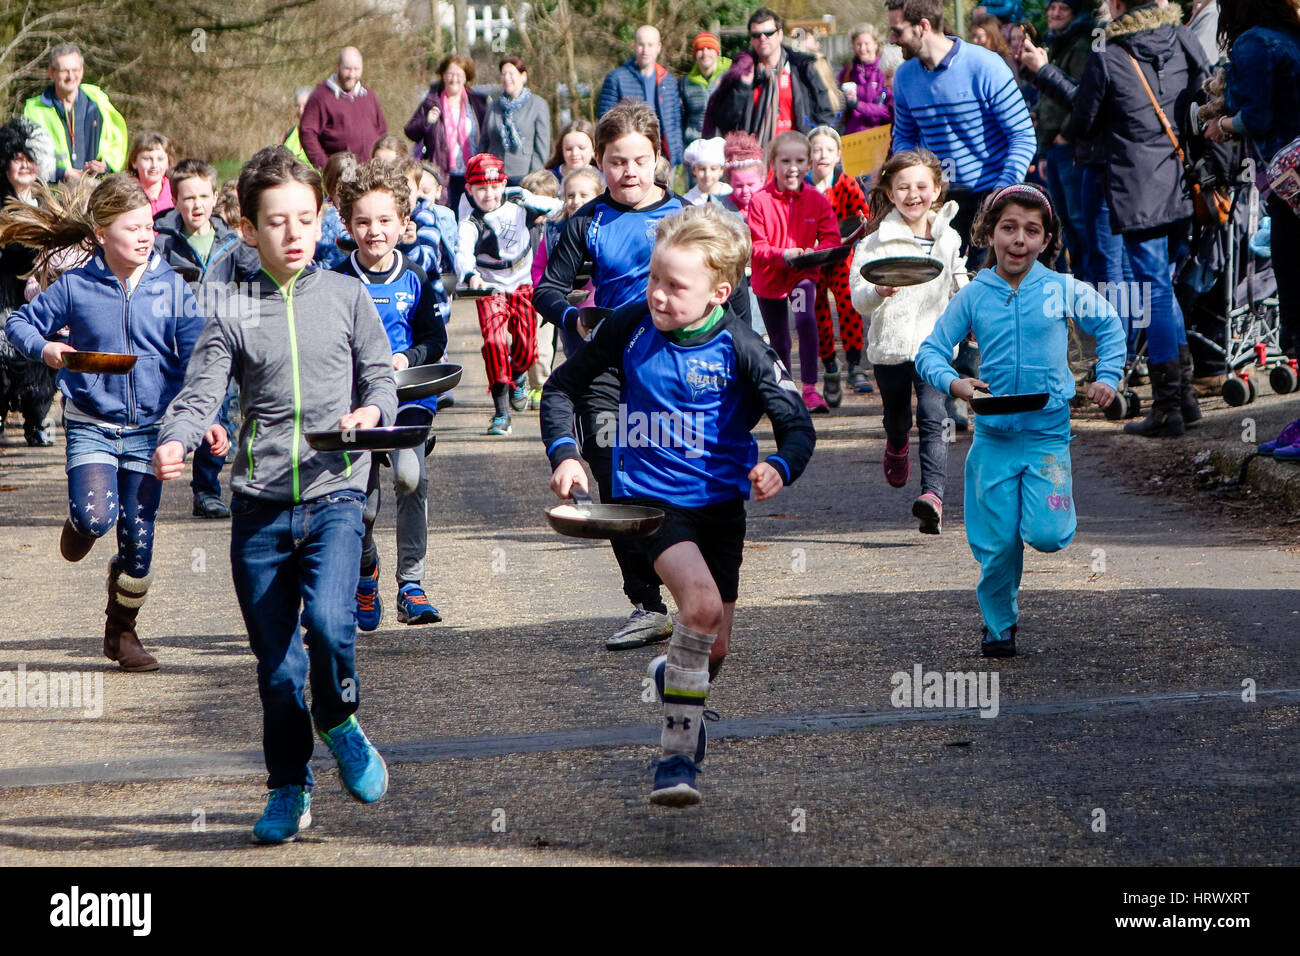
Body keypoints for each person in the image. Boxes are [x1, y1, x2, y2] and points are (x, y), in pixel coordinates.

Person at [153, 145, 397, 844]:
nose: (294, 234)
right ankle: (289, 786)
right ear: (250, 232)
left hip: (335, 493)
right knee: (278, 668)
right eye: (277, 222)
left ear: (323, 222)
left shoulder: (347, 296)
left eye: (306, 219)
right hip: (259, 506)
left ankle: (341, 717)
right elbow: (202, 392)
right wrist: (179, 437)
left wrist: (370, 413)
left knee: (328, 625)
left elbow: (380, 379)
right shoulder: (234, 310)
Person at [541, 202, 815, 806]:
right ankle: (674, 757)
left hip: (721, 508)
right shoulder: (631, 322)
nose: (657, 295)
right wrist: (565, 453)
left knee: (711, 645)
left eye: (674, 286)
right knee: (698, 603)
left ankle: (675, 675)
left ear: (719, 292)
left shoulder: (743, 346)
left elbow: (797, 425)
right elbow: (563, 386)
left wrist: (778, 464)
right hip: (652, 501)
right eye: (653, 280)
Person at [3, 174, 207, 672]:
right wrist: (47, 349)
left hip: (149, 429)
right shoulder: (75, 286)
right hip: (92, 421)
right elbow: (15, 322)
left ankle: (122, 631)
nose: (145, 237)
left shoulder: (171, 288)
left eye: (149, 228)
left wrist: (206, 419)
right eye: (132, 228)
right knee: (98, 517)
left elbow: (203, 357)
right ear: (100, 233)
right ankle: (81, 520)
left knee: (138, 539)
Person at [915, 184, 1125, 657]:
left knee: (1046, 535)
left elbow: (1110, 324)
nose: (1018, 240)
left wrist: (1107, 376)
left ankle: (1039, 526)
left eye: (1032, 231)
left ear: (1046, 240)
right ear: (990, 233)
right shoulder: (974, 296)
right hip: (992, 437)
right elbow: (930, 351)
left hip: (1047, 435)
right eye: (1008, 228)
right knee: (997, 547)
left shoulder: (1061, 289)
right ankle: (998, 625)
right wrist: (956, 384)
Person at [534, 100, 686, 651]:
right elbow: (546, 289)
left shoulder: (686, 218)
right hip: (605, 366)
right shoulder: (585, 222)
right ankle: (646, 604)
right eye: (617, 161)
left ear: (658, 158)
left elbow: (727, 289)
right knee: (613, 477)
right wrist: (574, 316)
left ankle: (694, 585)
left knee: (671, 479)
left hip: (671, 367)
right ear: (600, 162)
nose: (629, 172)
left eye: (640, 161)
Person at [1067, 0, 1214, 438]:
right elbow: (1206, 98)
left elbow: (1082, 122)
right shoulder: (1185, 37)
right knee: (1163, 285)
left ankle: (1168, 407)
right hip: (1183, 181)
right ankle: (1182, 397)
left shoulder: (1107, 54)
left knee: (1153, 288)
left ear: (1115, 5)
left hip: (1136, 187)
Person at [333, 160, 449, 629]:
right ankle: (365, 575)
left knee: (409, 478)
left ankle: (411, 585)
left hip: (409, 399)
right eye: (362, 221)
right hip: (355, 403)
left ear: (405, 223)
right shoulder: (336, 279)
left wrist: (409, 357)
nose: (374, 231)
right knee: (362, 505)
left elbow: (435, 339)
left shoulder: (416, 276)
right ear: (347, 225)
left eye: (384, 221)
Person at [850, 149, 968, 533]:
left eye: (921, 186)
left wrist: (972, 311)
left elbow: (958, 279)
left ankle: (932, 497)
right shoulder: (875, 241)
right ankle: (896, 443)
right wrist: (878, 291)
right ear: (889, 191)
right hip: (891, 347)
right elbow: (858, 295)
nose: (912, 194)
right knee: (898, 417)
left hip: (935, 348)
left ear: (936, 189)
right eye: (902, 187)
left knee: (935, 419)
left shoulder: (948, 237)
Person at [1208, 0, 1300, 434]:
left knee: (1294, 292)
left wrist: (1222, 126)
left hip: (1287, 189)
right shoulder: (1290, 38)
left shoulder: (1253, 43)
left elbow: (1258, 118)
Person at [153, 158, 261, 519]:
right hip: (172, 343)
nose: (195, 205)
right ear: (175, 198)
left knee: (221, 413)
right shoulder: (160, 240)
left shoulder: (232, 242)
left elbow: (252, 284)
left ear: (215, 197)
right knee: (177, 409)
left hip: (220, 343)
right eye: (187, 197)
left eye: (202, 196)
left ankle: (207, 489)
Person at [887, 0, 1037, 258]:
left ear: (923, 26)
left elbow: (1023, 136)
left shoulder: (986, 66)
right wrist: (909, 181)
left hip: (988, 196)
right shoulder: (904, 76)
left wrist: (1002, 193)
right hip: (937, 200)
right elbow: (904, 137)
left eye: (898, 31)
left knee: (987, 286)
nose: (892, 39)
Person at [456, 153, 560, 435]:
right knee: (494, 342)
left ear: (503, 184)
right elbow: (462, 252)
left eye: (494, 187)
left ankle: (517, 375)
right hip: (490, 285)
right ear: (469, 190)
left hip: (523, 281)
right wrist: (470, 275)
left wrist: (529, 198)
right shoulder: (471, 222)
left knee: (527, 349)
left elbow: (557, 207)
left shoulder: (519, 202)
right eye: (480, 189)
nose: (488, 195)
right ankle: (501, 413)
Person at [747, 130, 839, 414]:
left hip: (803, 274)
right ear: (772, 163)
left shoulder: (816, 199)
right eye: (785, 160)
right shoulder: (759, 201)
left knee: (804, 318)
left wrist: (816, 252)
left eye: (800, 160)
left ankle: (810, 388)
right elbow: (756, 247)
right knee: (780, 340)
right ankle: (786, 390)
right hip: (770, 279)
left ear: (809, 165)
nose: (793, 167)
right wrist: (782, 255)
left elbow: (832, 238)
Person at [1018, 1, 1097, 276]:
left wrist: (1065, 134)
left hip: (1069, 147)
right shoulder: (1055, 42)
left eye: (1063, 7)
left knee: (1079, 223)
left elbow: (1082, 97)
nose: (1054, 13)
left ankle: (1088, 285)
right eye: (1052, 8)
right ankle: (1078, 283)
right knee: (1063, 223)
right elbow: (1047, 95)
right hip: (1052, 147)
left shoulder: (1083, 44)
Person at [0, 118, 59, 447]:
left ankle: (37, 420)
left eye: (29, 158)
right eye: (17, 158)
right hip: (4, 290)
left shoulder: (50, 200)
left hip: (41, 294)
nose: (24, 165)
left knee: (41, 362)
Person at [705, 8, 837, 144]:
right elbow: (723, 121)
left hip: (796, 155)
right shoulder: (741, 72)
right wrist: (742, 87)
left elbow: (825, 112)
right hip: (756, 156)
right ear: (751, 39)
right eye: (756, 35)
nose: (762, 38)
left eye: (768, 33)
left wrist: (813, 143)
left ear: (780, 35)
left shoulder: (801, 68)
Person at [807, 125, 872, 404]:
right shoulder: (803, 186)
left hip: (843, 253)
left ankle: (855, 364)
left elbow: (864, 218)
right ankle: (830, 367)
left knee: (849, 304)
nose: (823, 155)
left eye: (829, 150)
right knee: (817, 309)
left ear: (838, 155)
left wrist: (852, 234)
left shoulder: (847, 184)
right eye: (817, 149)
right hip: (812, 256)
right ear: (808, 155)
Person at [22, 43, 128, 184]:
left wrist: (106, 165)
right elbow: (29, 159)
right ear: (51, 73)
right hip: (52, 195)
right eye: (64, 71)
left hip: (94, 190)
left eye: (75, 70)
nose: (71, 76)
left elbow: (117, 142)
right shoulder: (34, 110)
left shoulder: (97, 101)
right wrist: (62, 174)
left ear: (82, 71)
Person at [405, 54, 489, 212]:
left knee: (470, 217)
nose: (454, 79)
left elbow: (487, 135)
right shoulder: (431, 102)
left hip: (472, 174)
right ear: (443, 75)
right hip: (443, 174)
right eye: (450, 74)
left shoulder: (478, 103)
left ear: (466, 77)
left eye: (459, 75)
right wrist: (427, 122)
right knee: (445, 216)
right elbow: (410, 132)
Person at [597, 26, 685, 166]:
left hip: (664, 158)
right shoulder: (617, 78)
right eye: (641, 44)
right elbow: (605, 122)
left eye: (650, 45)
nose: (645, 50)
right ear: (634, 45)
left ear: (658, 47)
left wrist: (676, 153)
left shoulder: (668, 81)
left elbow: (675, 121)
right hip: (630, 157)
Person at [299, 47, 389, 171]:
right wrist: (327, 167)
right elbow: (307, 132)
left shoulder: (368, 95)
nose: (352, 75)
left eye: (356, 69)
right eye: (347, 69)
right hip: (341, 176)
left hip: (370, 173)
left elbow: (382, 131)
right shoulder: (321, 96)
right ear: (338, 67)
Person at [483, 57, 551, 185]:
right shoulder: (493, 106)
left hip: (524, 175)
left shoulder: (538, 105)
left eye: (511, 73)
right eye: (503, 74)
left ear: (523, 76)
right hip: (495, 176)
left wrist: (533, 178)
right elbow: (484, 143)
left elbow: (542, 147)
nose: (507, 78)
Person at [838, 23, 894, 134]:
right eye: (858, 44)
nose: (862, 48)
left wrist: (857, 105)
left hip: (879, 134)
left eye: (867, 44)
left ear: (876, 45)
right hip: (853, 133)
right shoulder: (848, 71)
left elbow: (888, 111)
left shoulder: (885, 71)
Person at [682, 33, 733, 147]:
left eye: (710, 48)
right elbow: (683, 116)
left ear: (717, 52)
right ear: (695, 54)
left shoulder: (730, 76)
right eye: (700, 49)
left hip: (722, 144)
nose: (705, 53)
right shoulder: (686, 83)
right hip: (694, 143)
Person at [128, 131, 174, 218]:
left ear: (168, 163)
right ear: (134, 162)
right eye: (147, 159)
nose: (154, 165)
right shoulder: (125, 193)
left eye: (160, 159)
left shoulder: (176, 191)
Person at [545, 119, 600, 186]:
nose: (574, 153)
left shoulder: (603, 177)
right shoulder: (548, 178)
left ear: (593, 150)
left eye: (581, 148)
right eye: (569, 149)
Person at [681, 137, 732, 205]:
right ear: (693, 170)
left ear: (721, 170)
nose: (707, 174)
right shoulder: (688, 200)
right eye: (702, 169)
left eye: (713, 169)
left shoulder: (730, 194)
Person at [283, 85, 314, 166]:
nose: (300, 110)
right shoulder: (290, 133)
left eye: (305, 105)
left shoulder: (325, 134)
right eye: (297, 106)